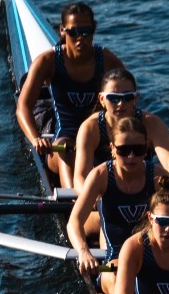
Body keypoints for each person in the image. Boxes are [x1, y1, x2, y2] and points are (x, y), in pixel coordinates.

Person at [14, 2, 124, 190]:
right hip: (63, 141)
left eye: (86, 31)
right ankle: (74, 202)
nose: (80, 38)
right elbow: (22, 108)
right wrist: (35, 139)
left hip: (98, 138)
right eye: (73, 32)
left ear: (93, 30)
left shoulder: (107, 60)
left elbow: (128, 99)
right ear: (62, 31)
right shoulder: (47, 62)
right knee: (67, 151)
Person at [67, 115, 159, 273]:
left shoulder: (158, 177)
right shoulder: (100, 176)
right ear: (113, 150)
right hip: (113, 260)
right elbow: (74, 222)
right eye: (123, 150)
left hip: (150, 257)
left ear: (146, 150)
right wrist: (83, 252)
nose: (131, 156)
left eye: (138, 150)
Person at [67, 67, 169, 186]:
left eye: (127, 97)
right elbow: (81, 177)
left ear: (135, 98)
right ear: (102, 99)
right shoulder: (90, 128)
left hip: (142, 188)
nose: (121, 103)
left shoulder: (151, 123)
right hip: (103, 191)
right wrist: (92, 200)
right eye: (113, 98)